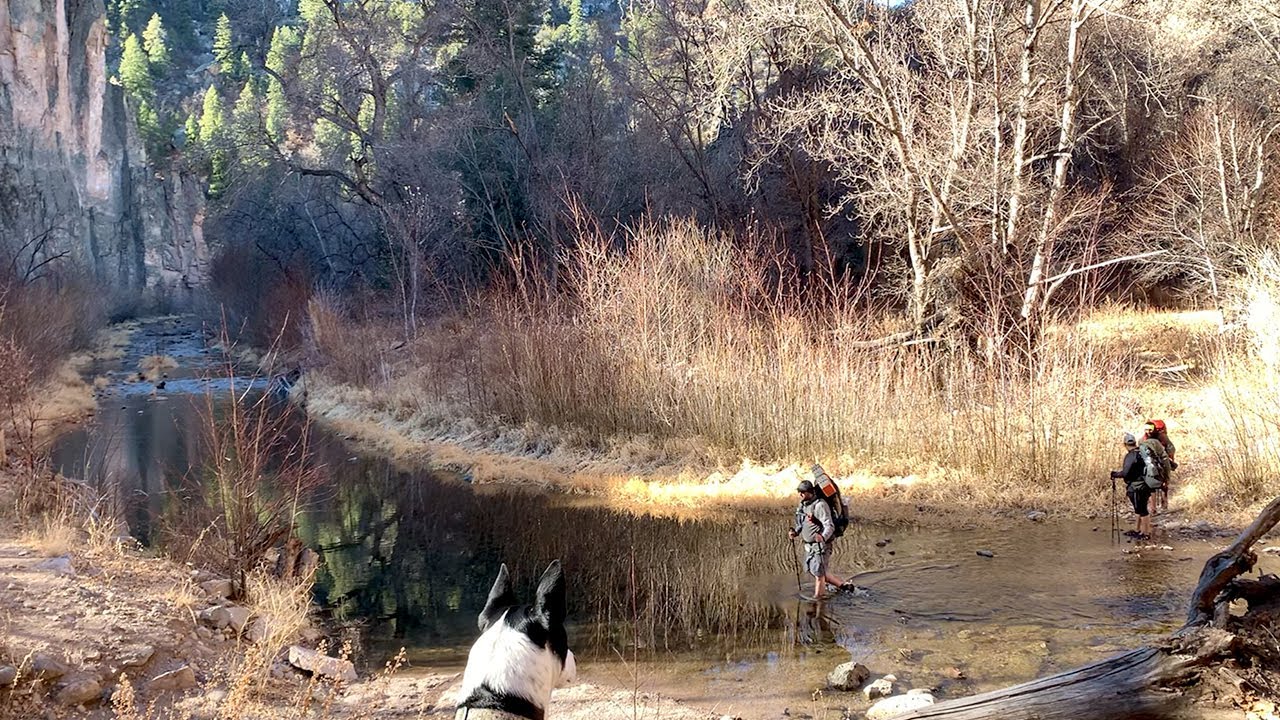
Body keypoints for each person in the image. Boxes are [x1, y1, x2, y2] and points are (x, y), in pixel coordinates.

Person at [788, 480, 851, 599]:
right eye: (799, 492)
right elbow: (801, 522)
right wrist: (795, 532)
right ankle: (844, 586)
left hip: (821, 545)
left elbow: (829, 525)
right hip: (810, 546)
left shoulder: (820, 505)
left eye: (802, 492)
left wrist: (822, 537)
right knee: (815, 570)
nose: (800, 494)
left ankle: (818, 599)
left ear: (810, 492)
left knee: (819, 573)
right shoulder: (803, 504)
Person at [1111, 433, 1151, 539]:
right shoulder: (1142, 453)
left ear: (1125, 444)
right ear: (1135, 443)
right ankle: (1138, 530)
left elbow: (1125, 473)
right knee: (1139, 508)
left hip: (1136, 487)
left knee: (1142, 510)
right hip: (1145, 486)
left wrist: (1115, 474)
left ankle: (1145, 533)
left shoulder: (1130, 456)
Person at [1139, 421, 1173, 515]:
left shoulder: (1144, 440)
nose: (1148, 431)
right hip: (1155, 464)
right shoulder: (1145, 440)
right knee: (1157, 484)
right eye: (1147, 430)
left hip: (1155, 464)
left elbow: (1171, 448)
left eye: (1150, 430)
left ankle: (1159, 507)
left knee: (1157, 485)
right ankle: (1158, 507)